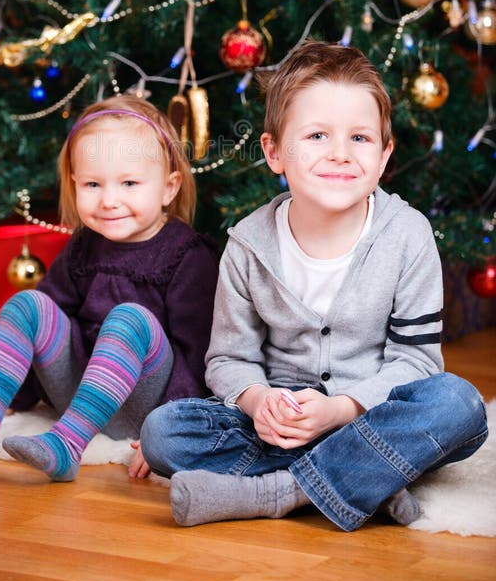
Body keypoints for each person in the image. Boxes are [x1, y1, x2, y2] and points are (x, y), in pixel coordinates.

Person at [140, 40, 488, 530]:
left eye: (361, 139)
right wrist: (260, 403)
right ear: (275, 152)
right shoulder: (248, 245)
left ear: (385, 155)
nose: (341, 154)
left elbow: (417, 362)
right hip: (282, 425)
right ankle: (370, 478)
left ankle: (278, 493)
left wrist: (341, 410)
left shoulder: (407, 237)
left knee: (459, 406)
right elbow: (228, 358)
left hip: (370, 415)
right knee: (164, 434)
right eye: (318, 135)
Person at [0, 96, 219, 482]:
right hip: (83, 394)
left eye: (129, 183)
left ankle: (67, 445)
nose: (109, 201)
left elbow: (201, 355)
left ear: (168, 188)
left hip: (148, 406)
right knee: (30, 304)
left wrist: (170, 433)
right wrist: (17, 398)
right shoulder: (85, 244)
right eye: (92, 184)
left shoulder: (187, 255)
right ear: (74, 184)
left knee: (129, 318)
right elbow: (45, 327)